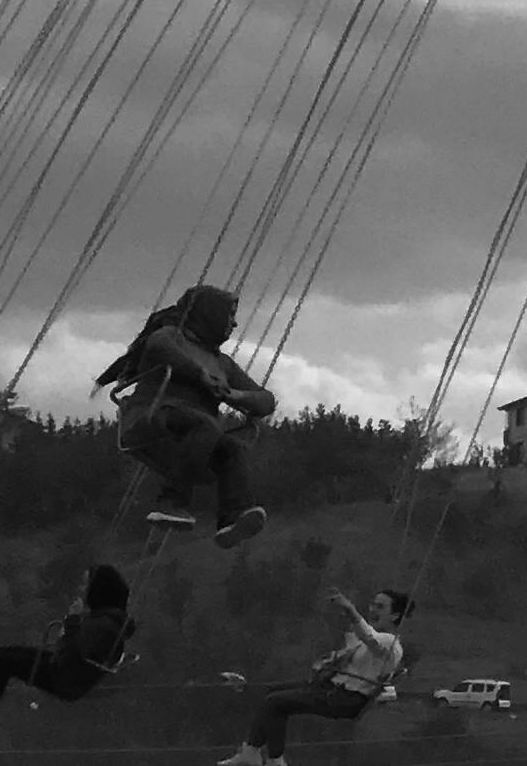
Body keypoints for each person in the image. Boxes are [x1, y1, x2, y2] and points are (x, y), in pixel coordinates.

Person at [98, 288, 273, 549]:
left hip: (194, 431)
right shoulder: (170, 337)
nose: (234, 324)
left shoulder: (222, 363)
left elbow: (266, 399)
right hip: (152, 416)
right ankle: (172, 500)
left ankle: (232, 517)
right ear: (210, 314)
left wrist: (235, 395)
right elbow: (160, 349)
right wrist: (199, 375)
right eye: (230, 316)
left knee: (230, 448)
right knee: (204, 426)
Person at [0, 564, 135, 746]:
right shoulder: (107, 619)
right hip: (66, 669)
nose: (81, 588)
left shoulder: (102, 625)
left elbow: (75, 650)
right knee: (2, 655)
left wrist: (73, 620)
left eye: (86, 584)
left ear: (97, 590)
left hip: (63, 677)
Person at [221, 586, 411, 766]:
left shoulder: (390, 645)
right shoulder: (367, 642)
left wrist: (351, 610)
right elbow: (358, 643)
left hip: (345, 698)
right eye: (372, 604)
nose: (372, 609)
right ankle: (251, 750)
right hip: (331, 689)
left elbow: (370, 638)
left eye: (380, 607)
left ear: (395, 615)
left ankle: (273, 760)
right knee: (269, 694)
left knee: (275, 702)